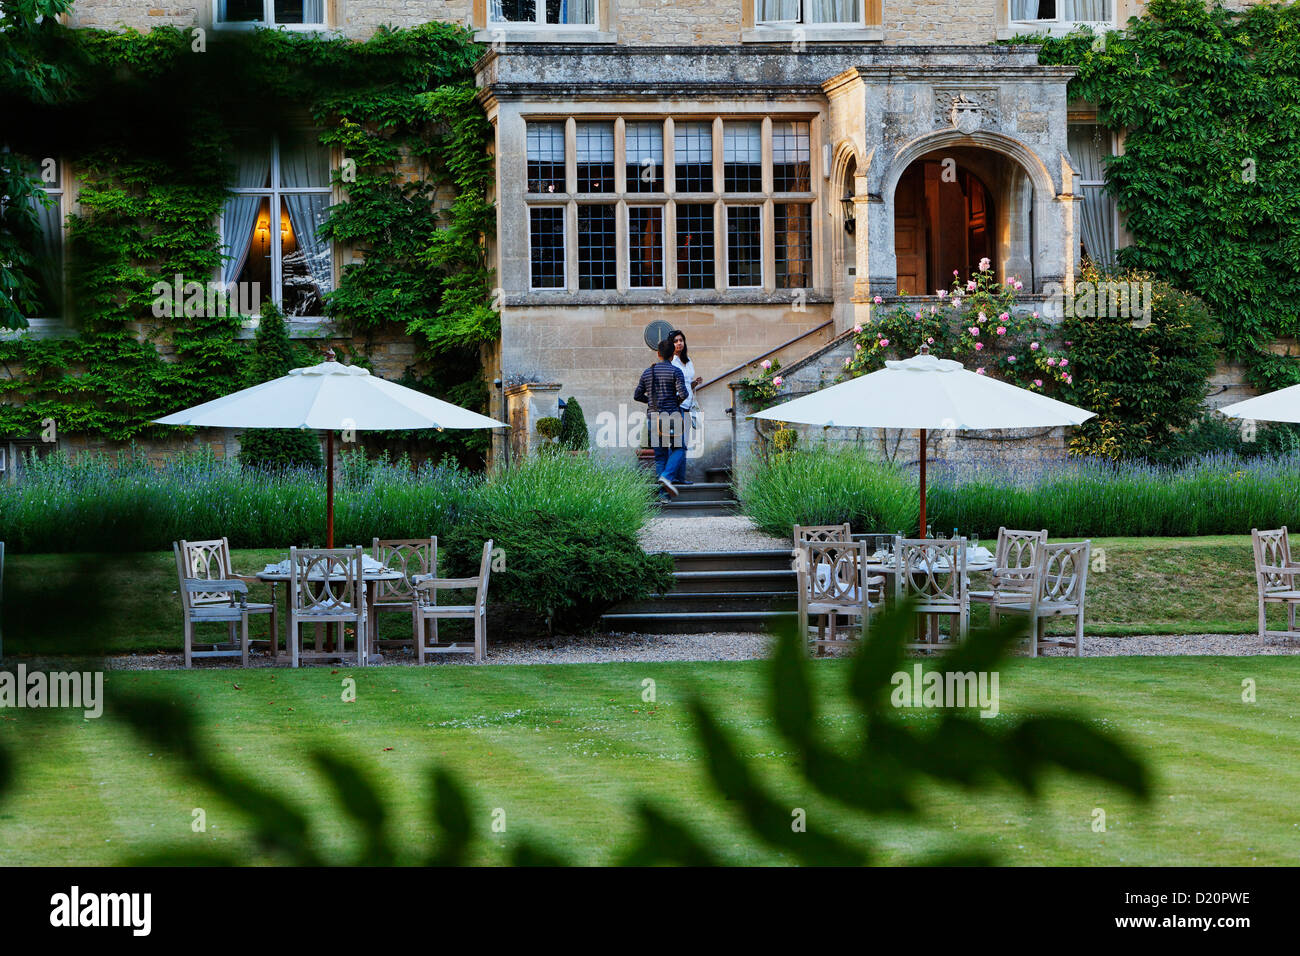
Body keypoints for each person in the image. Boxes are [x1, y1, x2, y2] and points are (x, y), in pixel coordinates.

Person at [633, 337, 688, 500]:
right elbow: (684, 394)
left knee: (660, 456)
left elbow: (637, 395)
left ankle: (663, 495)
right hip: (672, 416)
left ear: (658, 354)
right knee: (680, 449)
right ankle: (667, 476)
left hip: (653, 417)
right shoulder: (675, 371)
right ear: (673, 355)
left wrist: (650, 402)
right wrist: (674, 401)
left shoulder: (647, 372)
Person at [668, 329, 703, 485]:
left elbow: (687, 384)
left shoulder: (688, 361)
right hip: (677, 406)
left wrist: (695, 383)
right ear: (671, 344)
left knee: (684, 444)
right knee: (678, 443)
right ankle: (671, 477)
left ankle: (680, 478)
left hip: (688, 406)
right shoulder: (671, 361)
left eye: (681, 340)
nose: (679, 343)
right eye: (675, 341)